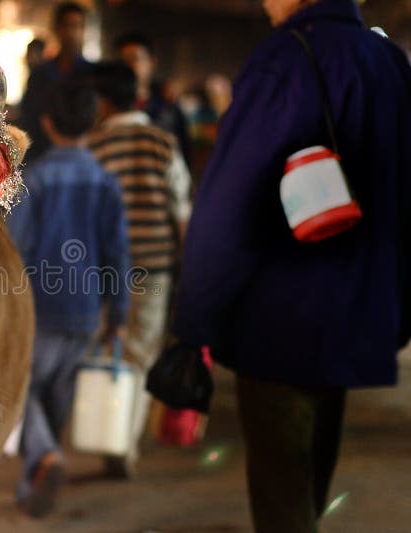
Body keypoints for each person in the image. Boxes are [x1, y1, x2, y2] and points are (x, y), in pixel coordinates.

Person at [166, 1, 411, 531]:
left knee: (282, 491)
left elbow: (228, 204)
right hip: (360, 310)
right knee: (309, 479)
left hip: (279, 321)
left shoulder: (283, 61)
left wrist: (194, 324)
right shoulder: (388, 62)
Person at [8, 80, 130, 518]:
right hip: (84, 310)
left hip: (38, 307)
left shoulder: (34, 181)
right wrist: (117, 312)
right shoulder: (106, 183)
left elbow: (16, 247)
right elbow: (117, 253)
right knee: (57, 395)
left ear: (45, 122)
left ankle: (44, 459)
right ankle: (34, 478)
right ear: (94, 124)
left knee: (22, 389)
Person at [88, 61, 192, 477]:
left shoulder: (93, 147)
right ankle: (124, 444)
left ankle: (104, 437)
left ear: (104, 101)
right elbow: (181, 211)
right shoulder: (162, 143)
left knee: (105, 349)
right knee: (140, 357)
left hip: (101, 272)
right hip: (154, 269)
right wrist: (189, 266)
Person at [17, 2, 94, 163]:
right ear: (56, 28)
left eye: (77, 26)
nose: (72, 32)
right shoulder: (40, 74)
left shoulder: (91, 74)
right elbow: (28, 120)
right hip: (42, 159)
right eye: (67, 25)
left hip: (82, 161)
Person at [114, 33, 191, 162]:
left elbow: (184, 149)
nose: (127, 66)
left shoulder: (168, 104)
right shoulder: (111, 107)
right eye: (123, 61)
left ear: (152, 62)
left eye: (134, 58)